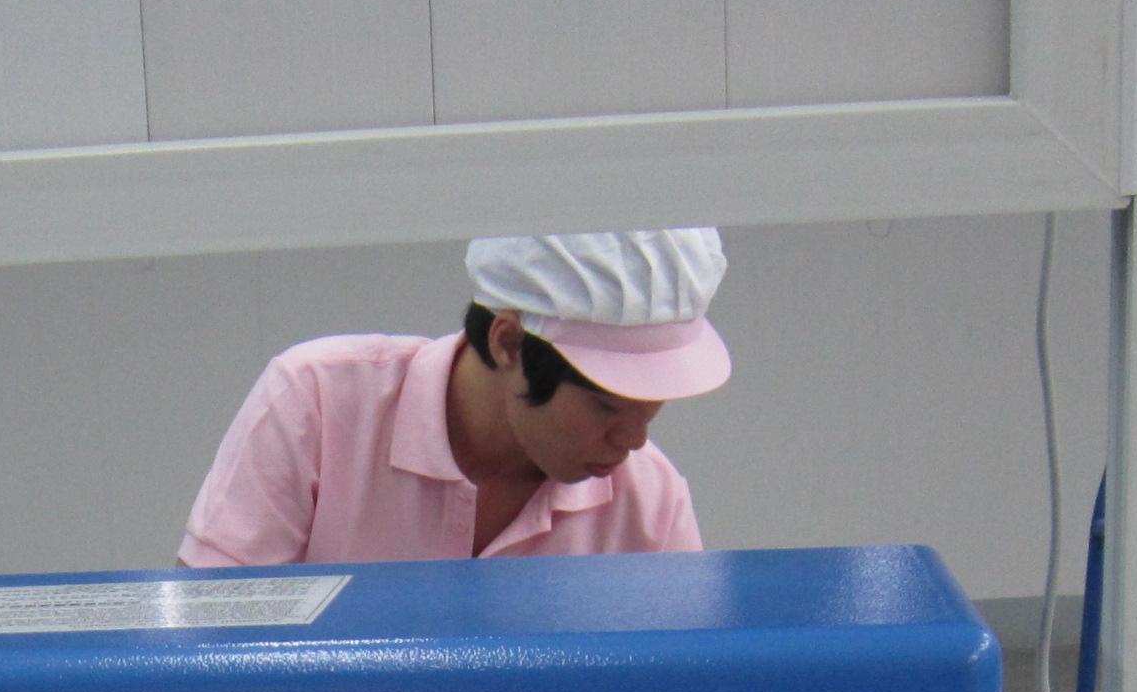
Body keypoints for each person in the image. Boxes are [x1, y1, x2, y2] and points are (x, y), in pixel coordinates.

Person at [178, 229, 731, 568]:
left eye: (653, 406)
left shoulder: (650, 504)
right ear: (508, 342)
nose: (633, 440)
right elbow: (204, 654)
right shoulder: (316, 406)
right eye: (606, 405)